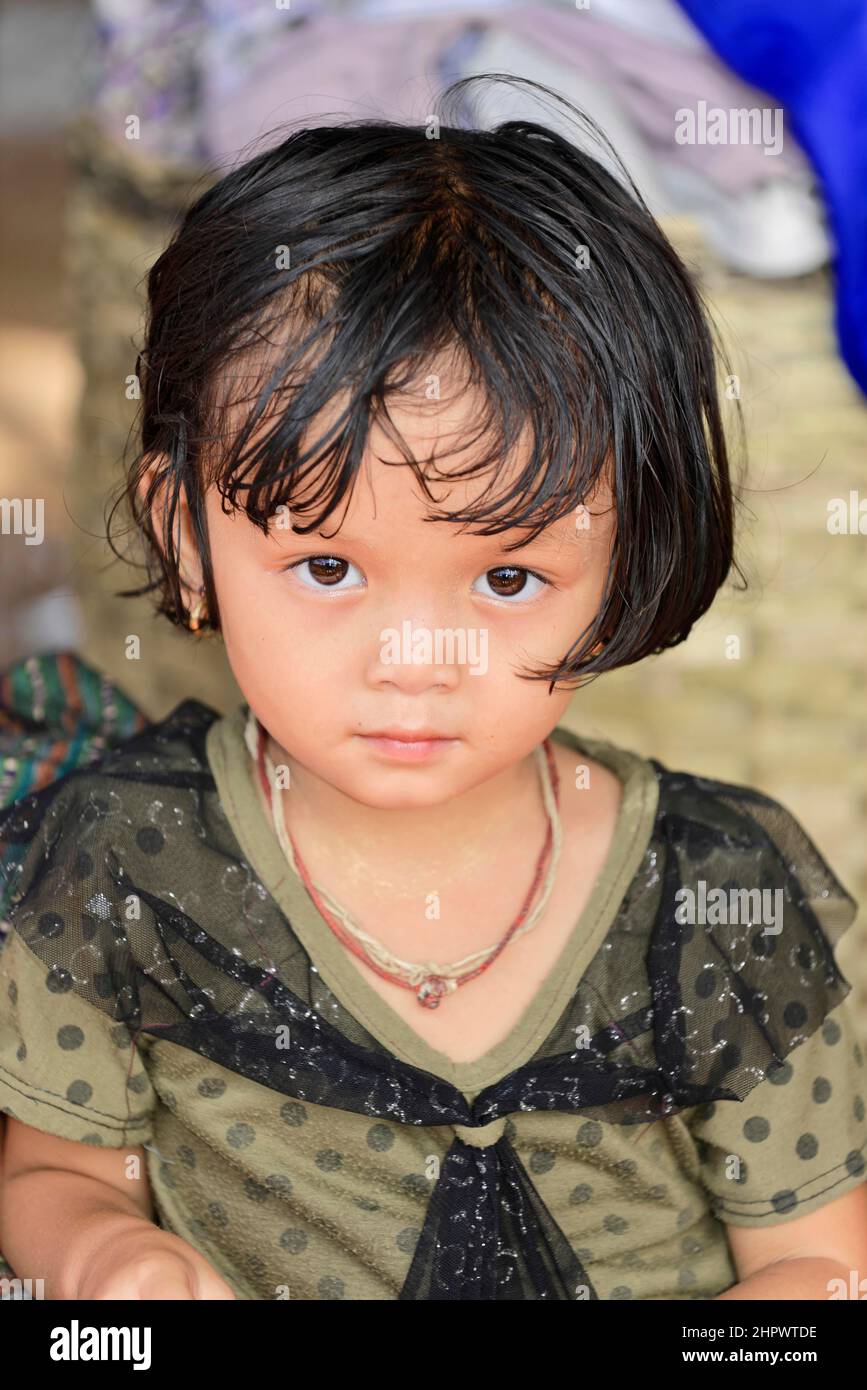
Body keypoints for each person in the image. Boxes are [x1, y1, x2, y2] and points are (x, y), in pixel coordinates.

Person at [0, 75, 865, 1301]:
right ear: (186, 535)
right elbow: (57, 1180)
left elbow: (823, 1267)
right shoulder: (123, 860)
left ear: (633, 554)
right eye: (328, 565)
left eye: (508, 577)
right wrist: (111, 1258)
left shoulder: (720, 897)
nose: (417, 658)